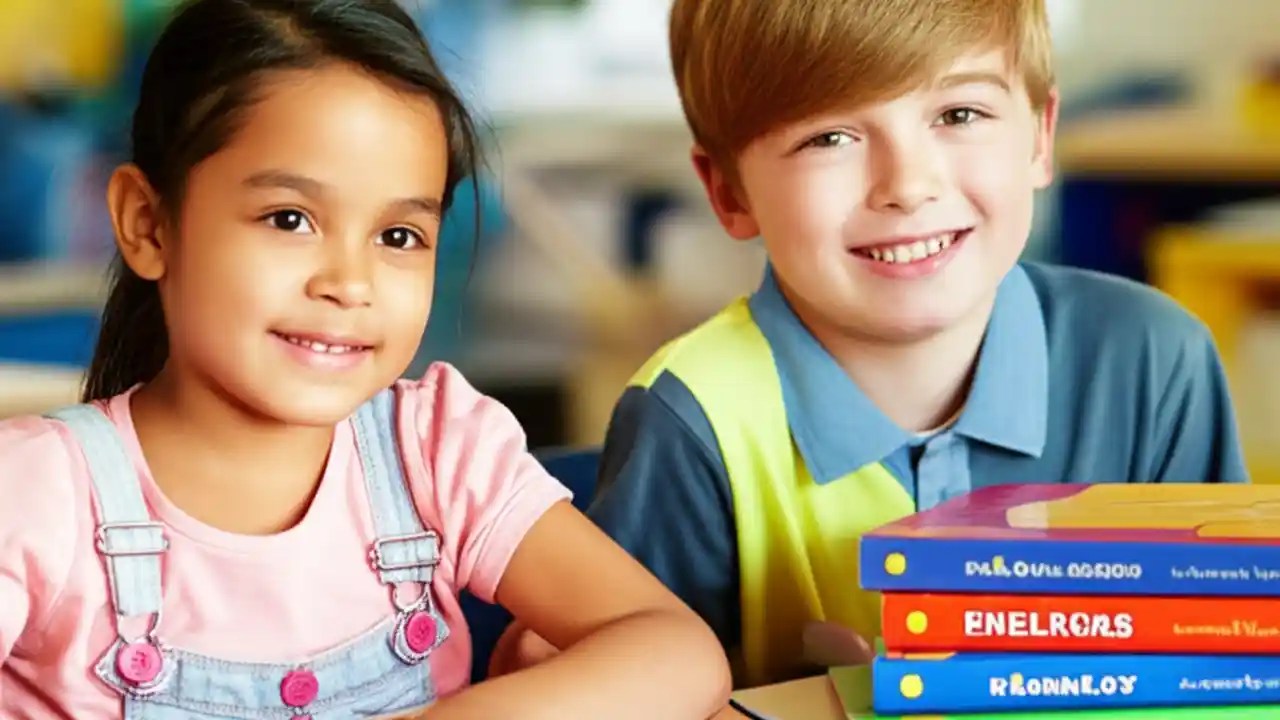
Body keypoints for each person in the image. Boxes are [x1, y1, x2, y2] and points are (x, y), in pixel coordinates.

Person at [0, 1, 732, 718]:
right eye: (290, 219)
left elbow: (674, 648)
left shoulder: (436, 449)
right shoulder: (33, 494)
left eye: (398, 236)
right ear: (147, 224)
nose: (349, 283)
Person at [494, 0, 1249, 691]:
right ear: (729, 192)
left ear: (1040, 137)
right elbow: (632, 688)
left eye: (958, 113)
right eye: (830, 136)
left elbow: (1228, 657)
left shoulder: (1153, 359)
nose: (907, 184)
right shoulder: (693, 417)